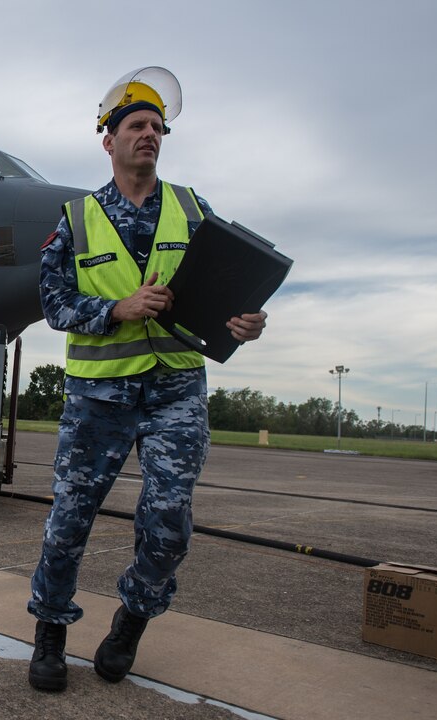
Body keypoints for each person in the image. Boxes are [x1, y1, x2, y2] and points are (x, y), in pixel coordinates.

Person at [26, 67, 268, 692]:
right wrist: (114, 310)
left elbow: (225, 285)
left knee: (169, 526)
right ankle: (50, 634)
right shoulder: (76, 218)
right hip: (98, 397)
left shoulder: (193, 209)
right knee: (70, 522)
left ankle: (130, 623)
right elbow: (53, 305)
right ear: (108, 140)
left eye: (158, 127)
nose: (149, 135)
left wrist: (243, 320)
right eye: (136, 125)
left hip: (175, 392)